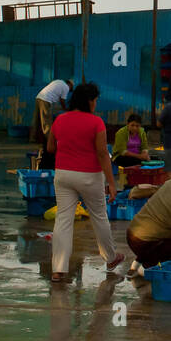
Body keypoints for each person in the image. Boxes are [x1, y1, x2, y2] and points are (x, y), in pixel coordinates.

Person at [49, 82, 122, 281]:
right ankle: (110, 257)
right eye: (95, 100)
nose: (96, 104)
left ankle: (58, 269)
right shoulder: (96, 122)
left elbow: (50, 147)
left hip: (63, 174)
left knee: (63, 220)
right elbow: (101, 153)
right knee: (99, 216)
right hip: (89, 176)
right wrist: (112, 182)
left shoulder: (60, 119)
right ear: (89, 101)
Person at [31, 77, 70, 146]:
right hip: (46, 100)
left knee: (37, 120)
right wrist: (66, 109)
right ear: (70, 84)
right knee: (47, 122)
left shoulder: (58, 81)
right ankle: (49, 141)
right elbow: (62, 100)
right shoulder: (66, 87)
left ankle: (33, 138)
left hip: (39, 97)